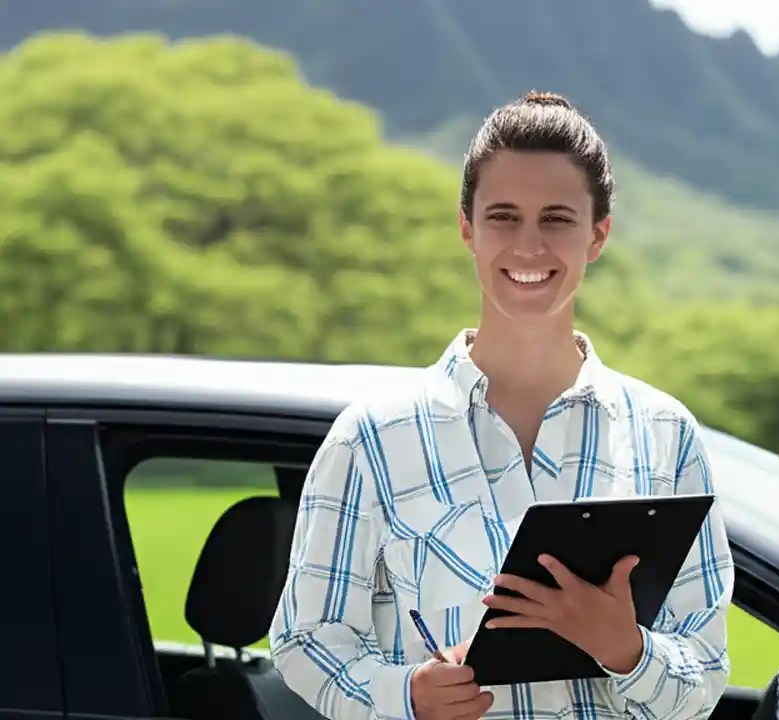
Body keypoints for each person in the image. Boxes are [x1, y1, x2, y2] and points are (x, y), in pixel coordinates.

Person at [269, 90, 734, 720]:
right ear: (467, 228)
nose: (529, 247)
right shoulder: (371, 438)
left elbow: (703, 671)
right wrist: (403, 696)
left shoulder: (665, 435)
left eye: (558, 219)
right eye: (505, 217)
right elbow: (305, 638)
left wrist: (626, 649)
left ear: (598, 236)